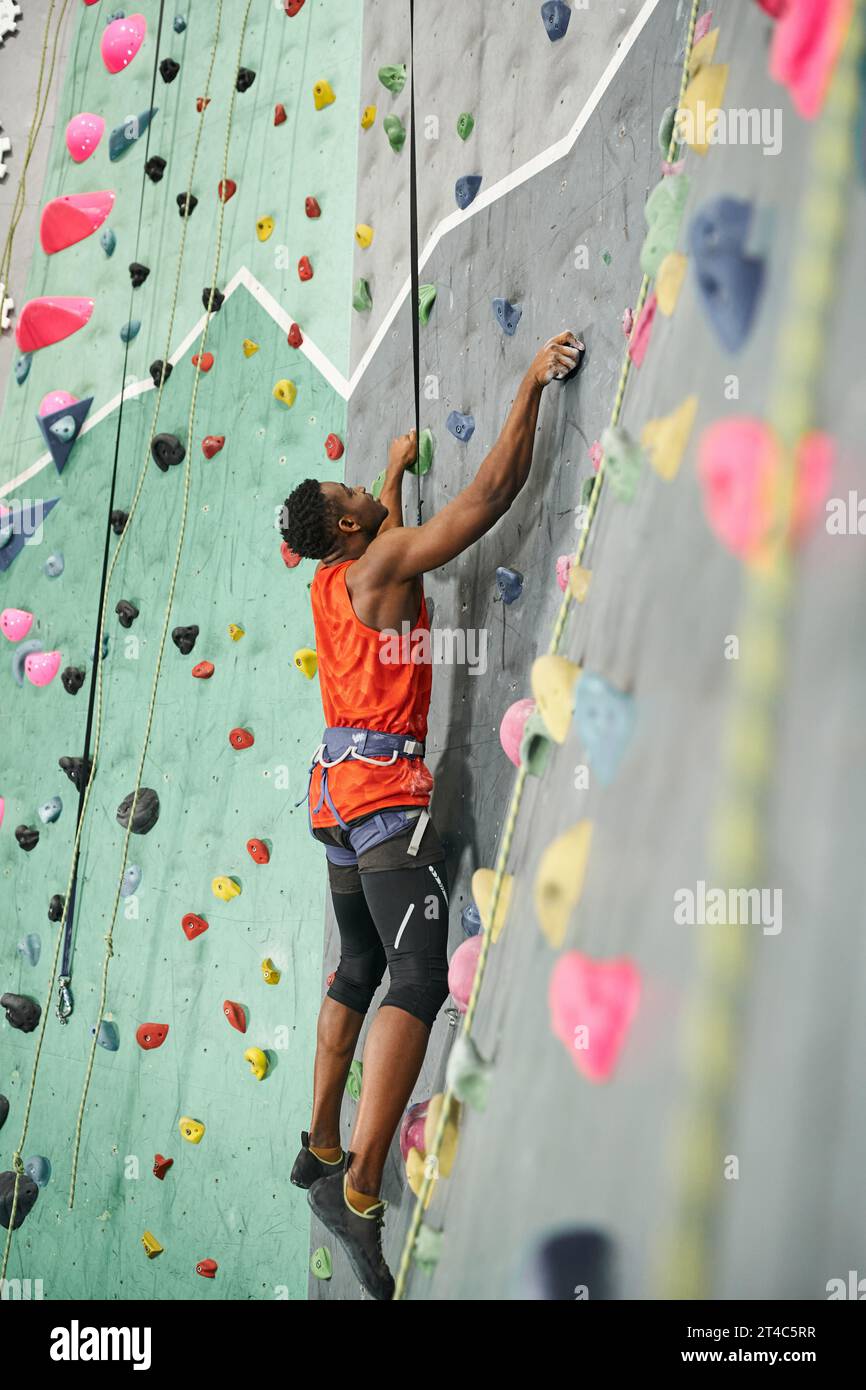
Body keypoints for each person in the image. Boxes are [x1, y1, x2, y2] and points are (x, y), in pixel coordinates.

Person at [281, 331, 583, 1300]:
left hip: (334, 798)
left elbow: (385, 556)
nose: (355, 493)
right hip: (381, 807)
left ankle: (319, 1141)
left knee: (357, 964)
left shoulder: (332, 579)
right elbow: (489, 499)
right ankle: (358, 1191)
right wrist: (530, 384)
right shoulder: (369, 562)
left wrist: (389, 475)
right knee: (412, 971)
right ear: (341, 530)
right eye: (347, 498)